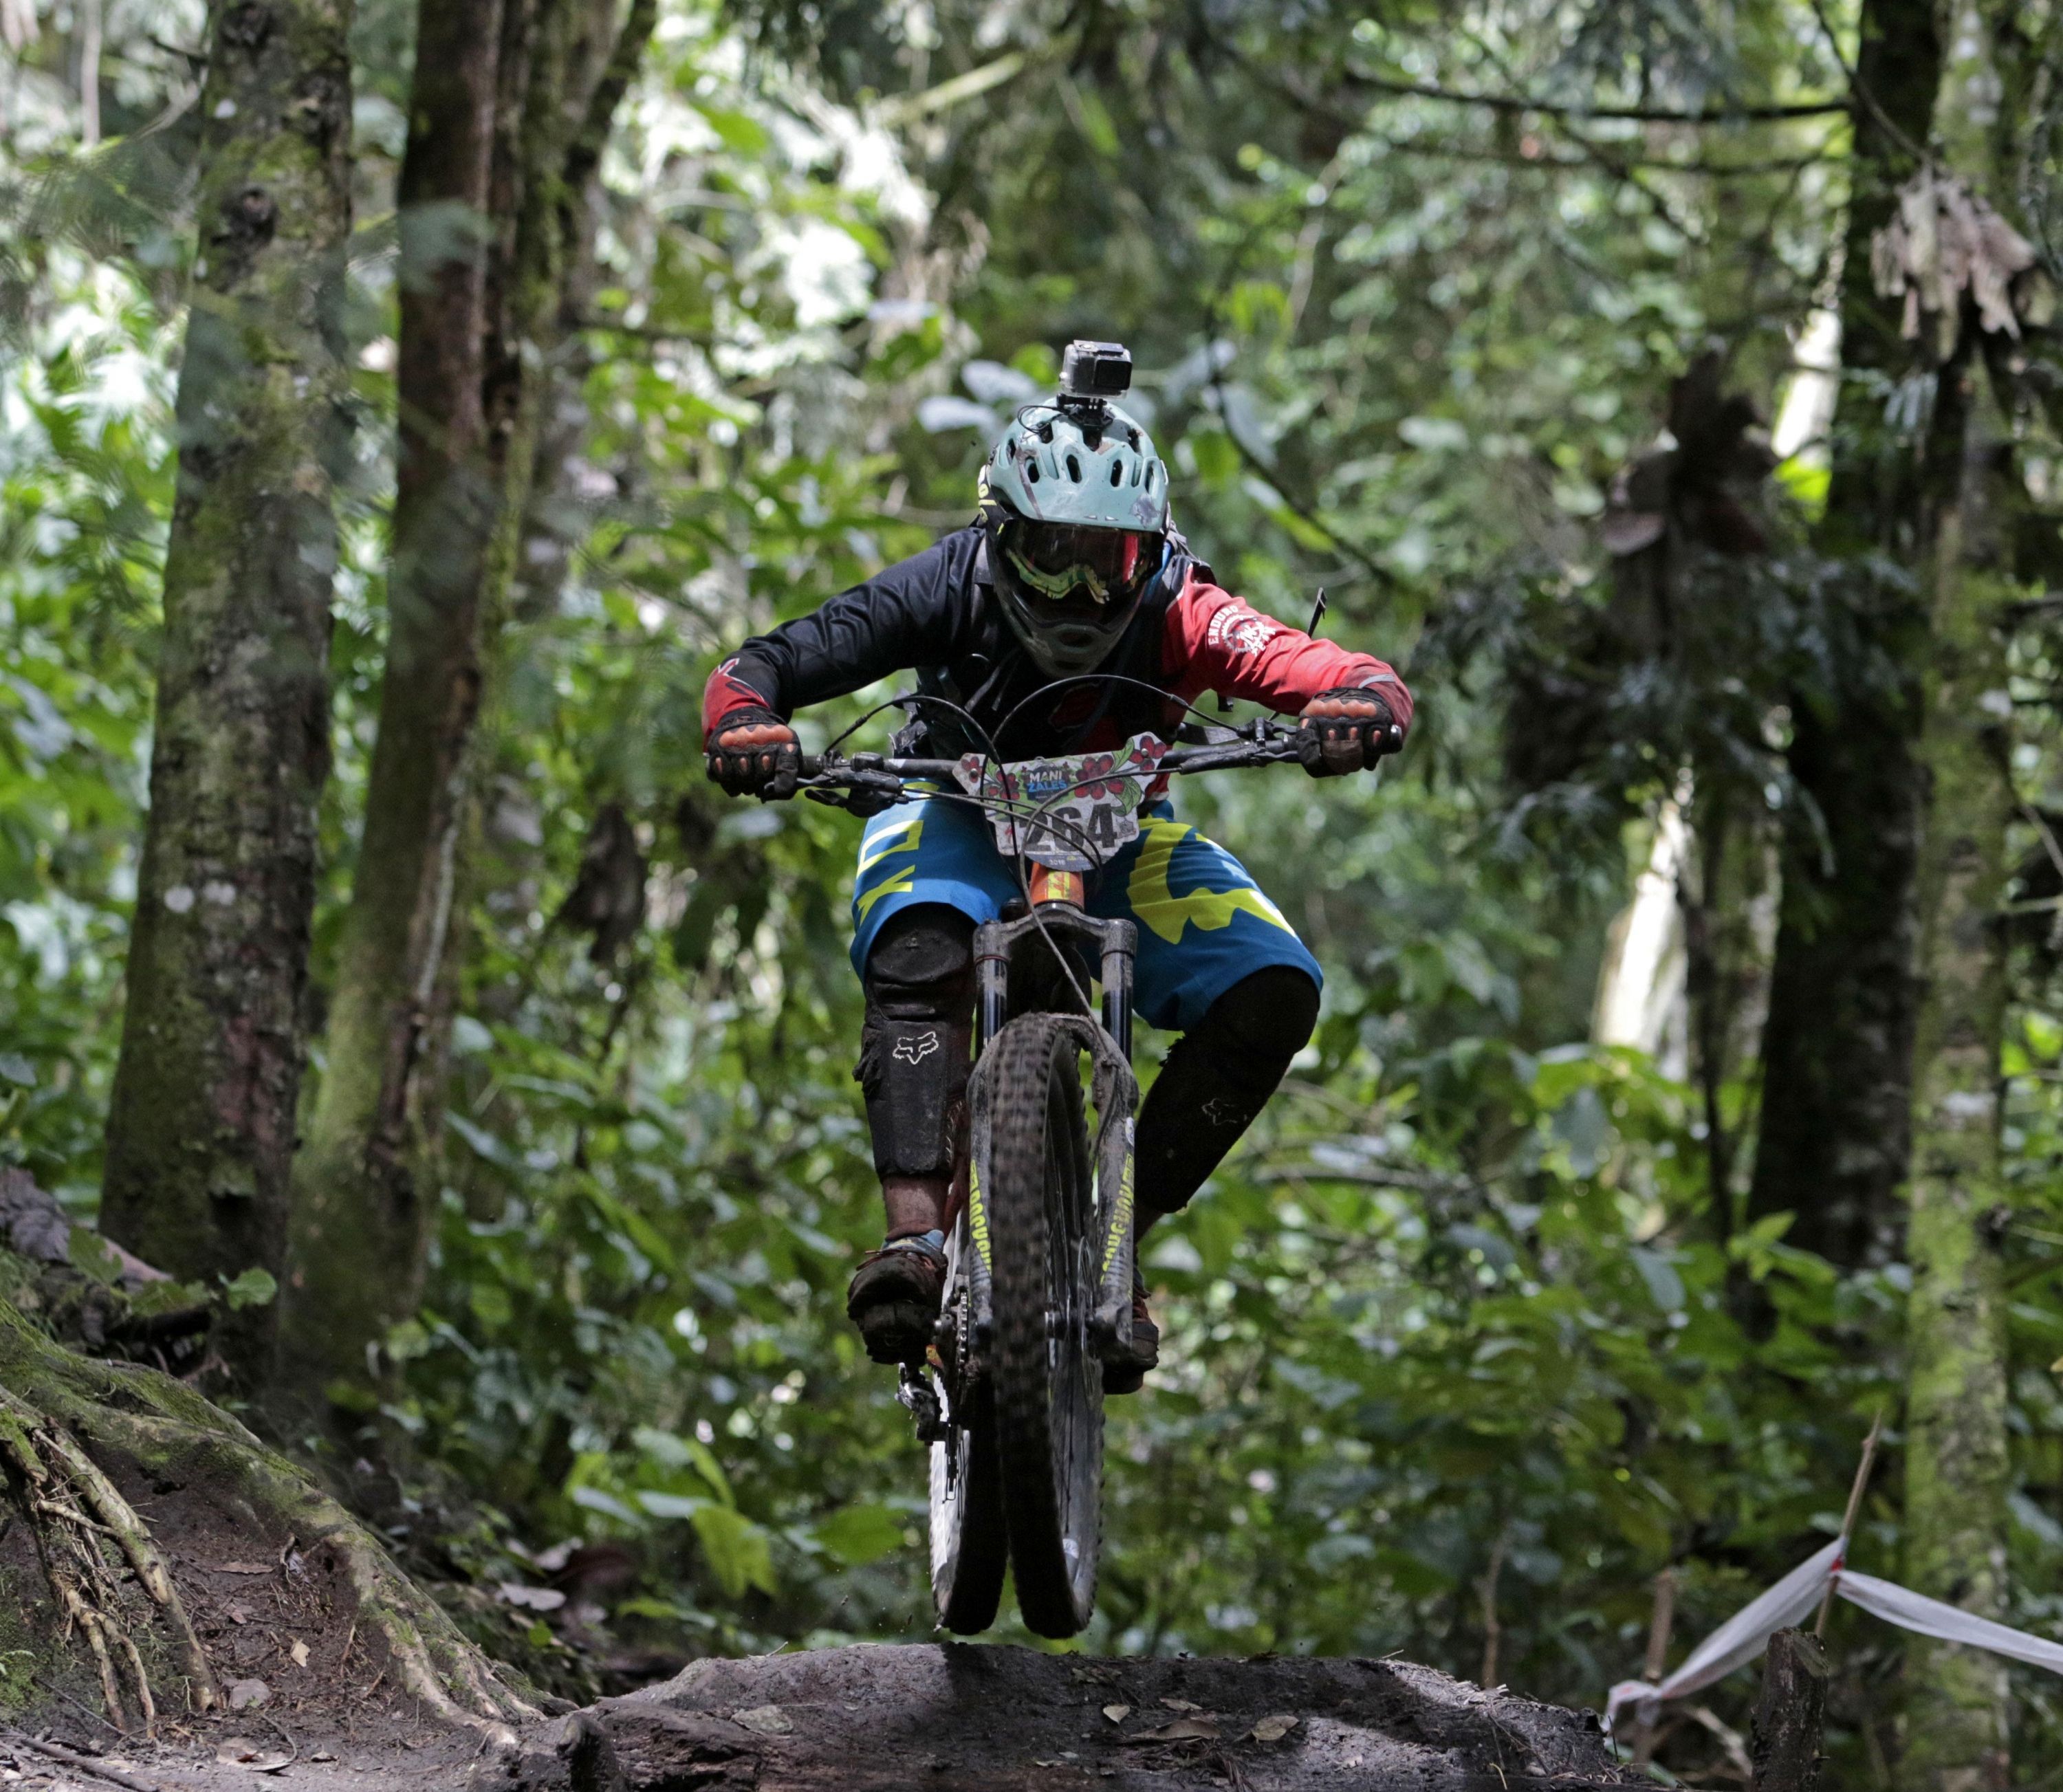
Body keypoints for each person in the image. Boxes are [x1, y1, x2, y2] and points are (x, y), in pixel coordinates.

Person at [703, 340, 1412, 1394]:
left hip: (1125, 838)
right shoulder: (945, 581)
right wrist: (750, 720)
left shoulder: (1180, 604)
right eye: (1053, 558)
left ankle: (1115, 1234)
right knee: (919, 939)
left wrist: (1356, 697)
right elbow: (776, 659)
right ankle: (912, 1241)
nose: (1082, 592)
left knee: (1275, 985)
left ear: (1153, 548)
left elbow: (1294, 659)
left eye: (1109, 561)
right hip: (950, 809)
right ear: (1000, 540)